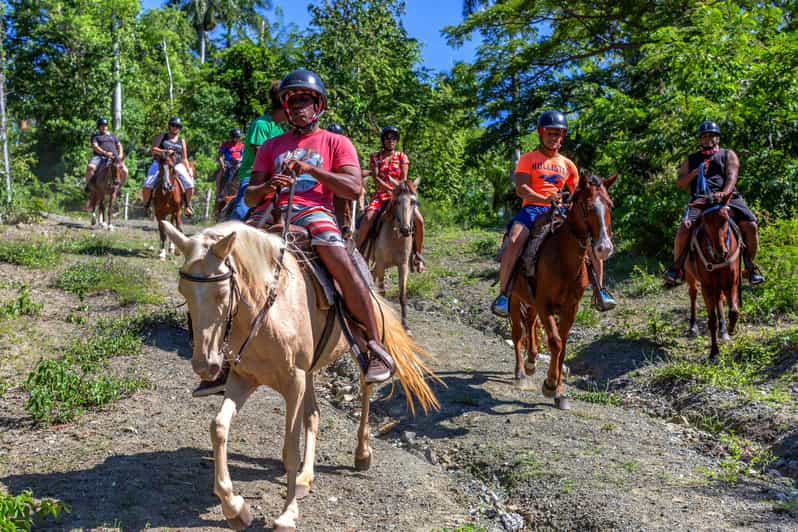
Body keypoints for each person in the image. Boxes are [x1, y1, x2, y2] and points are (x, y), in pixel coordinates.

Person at [194, 69, 396, 397]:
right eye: (294, 101)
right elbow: (250, 196)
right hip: (271, 215)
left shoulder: (336, 142)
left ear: (318, 106)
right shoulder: (271, 145)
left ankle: (374, 346)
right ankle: (223, 359)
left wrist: (312, 169)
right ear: (286, 107)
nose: (300, 106)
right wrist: (270, 185)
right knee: (220, 265)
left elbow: (354, 186)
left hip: (315, 213)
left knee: (338, 259)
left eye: (306, 100)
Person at [491, 110, 616, 318]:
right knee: (514, 240)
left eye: (558, 134)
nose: (554, 138)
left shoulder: (568, 164)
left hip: (561, 211)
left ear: (563, 136)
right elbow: (521, 188)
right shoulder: (528, 159)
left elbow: (579, 193)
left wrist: (569, 203)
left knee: (590, 240)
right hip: (532, 209)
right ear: (541, 133)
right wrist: (543, 199)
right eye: (550, 133)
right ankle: (504, 294)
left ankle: (599, 292)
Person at [663, 120, 764, 286]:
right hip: (700, 199)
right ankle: (677, 269)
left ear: (717, 137)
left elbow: (732, 176)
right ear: (699, 140)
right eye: (703, 136)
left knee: (751, 225)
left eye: (711, 135)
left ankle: (750, 267)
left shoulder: (727, 154)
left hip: (726, 197)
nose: (707, 139)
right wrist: (694, 174)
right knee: (685, 228)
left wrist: (724, 193)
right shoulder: (691, 159)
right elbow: (680, 183)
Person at [356, 125, 425, 272]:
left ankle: (418, 256)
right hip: (381, 195)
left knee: (419, 220)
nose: (391, 140)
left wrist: (397, 191)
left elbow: (404, 179)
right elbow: (376, 179)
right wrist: (390, 189)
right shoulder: (375, 156)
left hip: (401, 195)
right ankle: (357, 252)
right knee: (368, 218)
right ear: (383, 140)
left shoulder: (402, 157)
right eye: (387, 138)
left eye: (393, 138)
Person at [224, 81, 287, 221]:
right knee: (242, 210)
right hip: (253, 175)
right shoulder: (262, 125)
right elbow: (259, 153)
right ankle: (227, 235)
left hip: (275, 177)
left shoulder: (281, 131)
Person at [142, 117, 195, 216]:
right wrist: (164, 151)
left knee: (190, 184)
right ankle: (146, 206)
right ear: (169, 126)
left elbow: (184, 158)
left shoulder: (181, 140)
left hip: (177, 164)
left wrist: (189, 170)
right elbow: (153, 149)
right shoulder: (162, 136)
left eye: (177, 126)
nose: (175, 128)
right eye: (173, 125)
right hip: (160, 163)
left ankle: (187, 206)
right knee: (147, 184)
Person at [84, 117, 128, 192]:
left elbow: (119, 145)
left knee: (125, 171)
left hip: (114, 158)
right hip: (100, 156)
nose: (104, 127)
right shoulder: (95, 136)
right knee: (90, 167)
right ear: (99, 127)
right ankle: (89, 185)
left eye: (105, 125)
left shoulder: (112, 136)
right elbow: (95, 146)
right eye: (102, 125)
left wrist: (120, 154)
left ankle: (119, 187)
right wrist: (105, 153)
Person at [215, 128, 244, 205]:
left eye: (238, 137)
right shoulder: (226, 144)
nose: (237, 139)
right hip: (228, 163)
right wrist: (222, 165)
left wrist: (239, 159)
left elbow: (243, 156)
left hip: (238, 163)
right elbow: (220, 156)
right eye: (235, 137)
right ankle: (221, 192)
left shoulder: (241, 145)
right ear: (232, 137)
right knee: (224, 175)